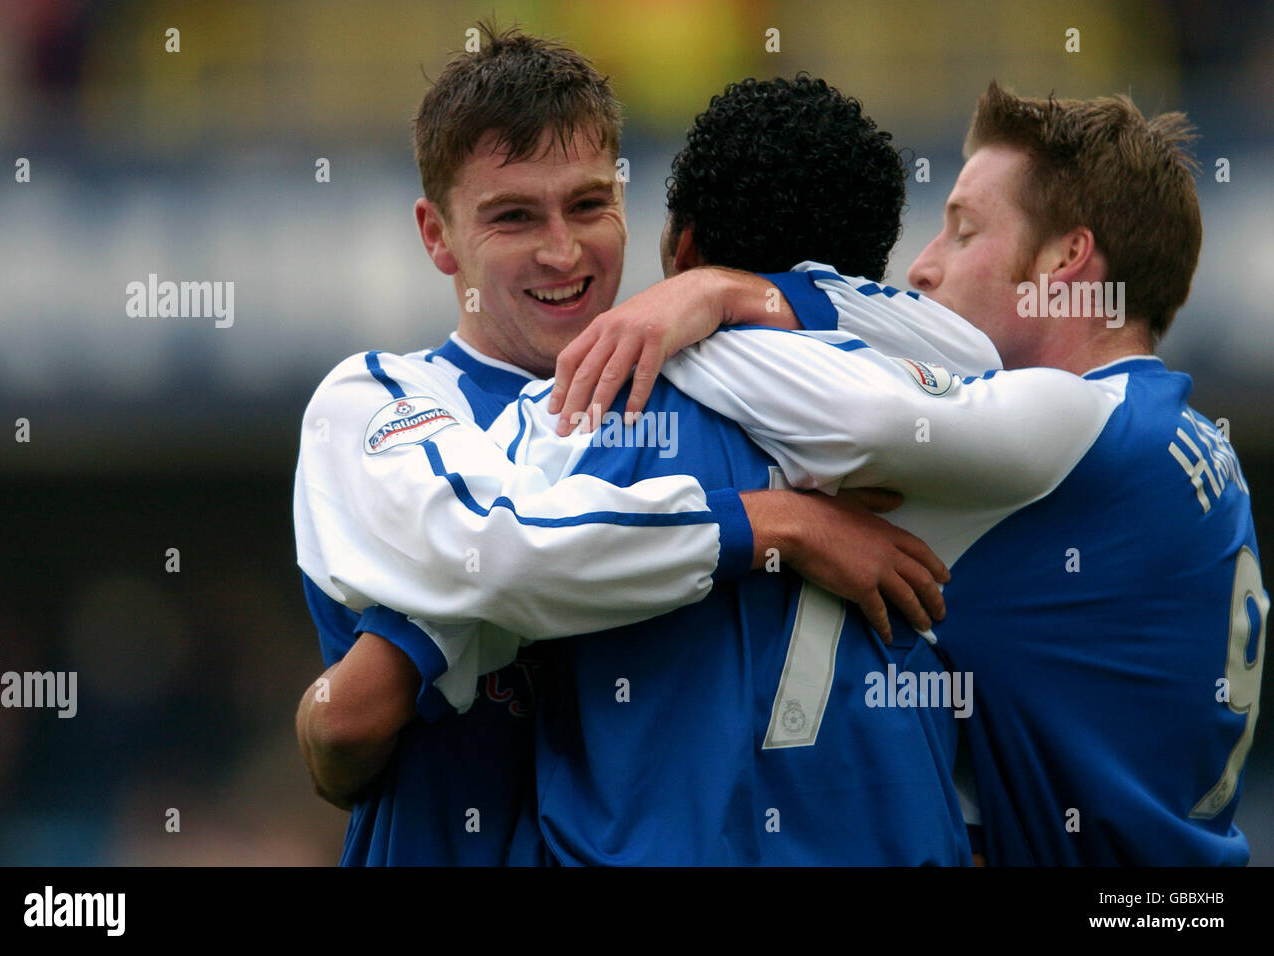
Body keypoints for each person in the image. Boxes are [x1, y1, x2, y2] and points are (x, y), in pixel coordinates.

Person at [552, 81, 1267, 864]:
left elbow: (865, 420)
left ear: (1067, 258)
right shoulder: (1182, 438)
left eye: (963, 232)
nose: (921, 269)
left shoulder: (1074, 431)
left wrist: (704, 298)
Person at [292, 30, 947, 865]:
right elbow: (496, 554)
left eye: (589, 204)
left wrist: (724, 289)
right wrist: (780, 524)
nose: (562, 251)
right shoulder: (379, 401)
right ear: (437, 234)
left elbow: (352, 717)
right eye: (513, 217)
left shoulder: (696, 391)